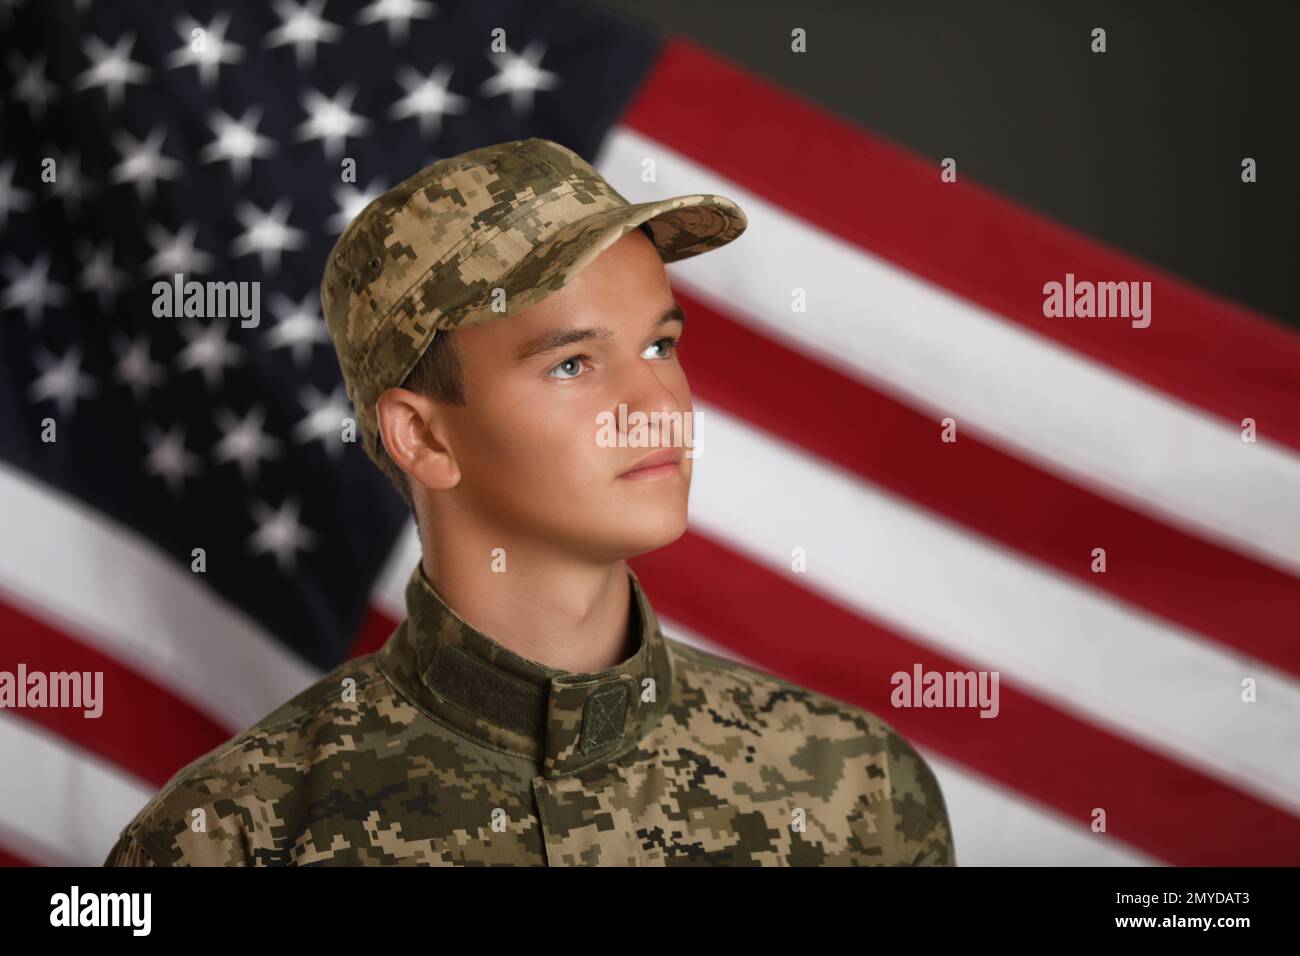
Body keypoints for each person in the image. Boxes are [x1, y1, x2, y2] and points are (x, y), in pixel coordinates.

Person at [103, 137, 955, 866]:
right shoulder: (231, 838)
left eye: (660, 344)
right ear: (424, 439)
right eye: (573, 364)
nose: (659, 407)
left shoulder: (855, 789)